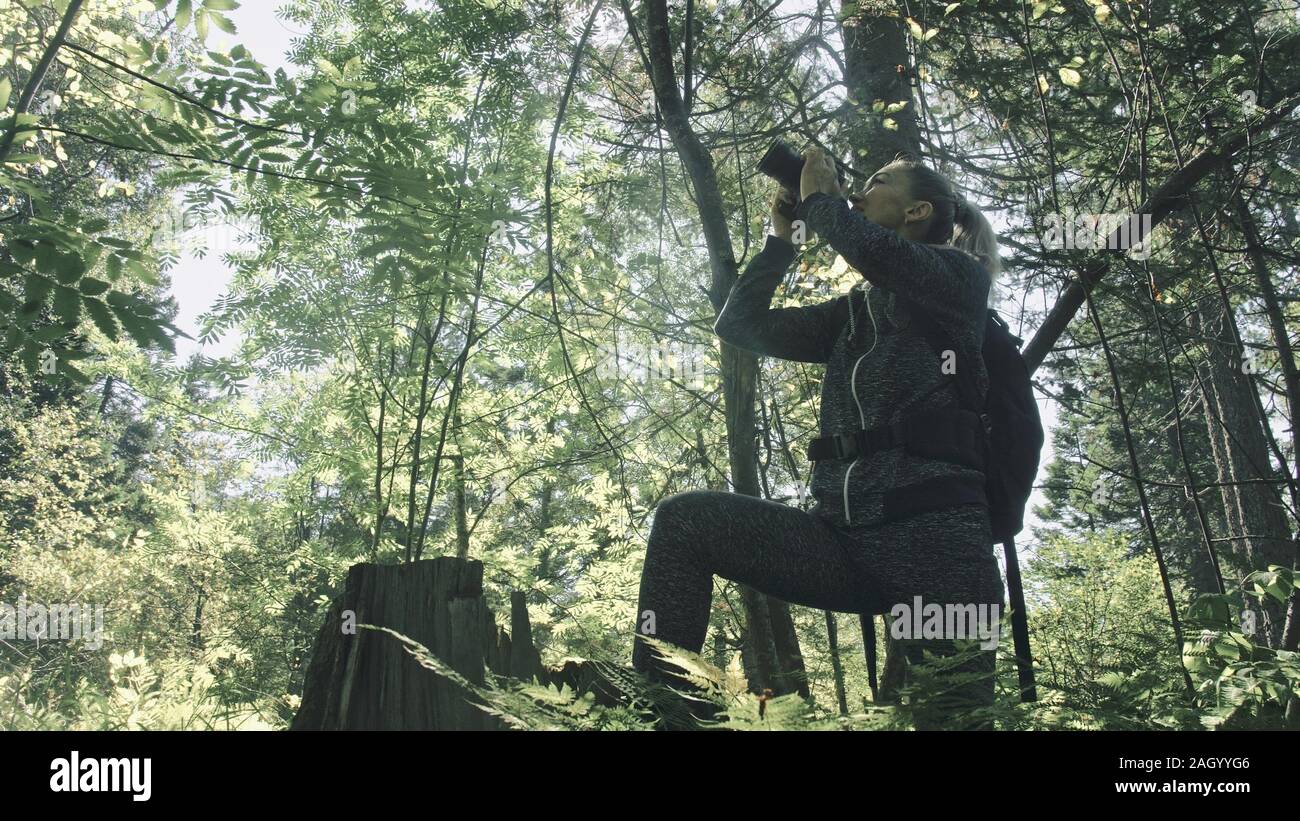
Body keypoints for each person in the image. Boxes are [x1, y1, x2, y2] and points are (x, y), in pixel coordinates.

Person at [631, 147, 1006, 730]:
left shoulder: (957, 280)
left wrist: (822, 199)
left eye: (878, 180)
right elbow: (741, 326)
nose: (861, 190)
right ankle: (665, 717)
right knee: (685, 522)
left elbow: (876, 254)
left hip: (937, 542)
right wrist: (782, 238)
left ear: (917, 212)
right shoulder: (852, 315)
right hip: (843, 541)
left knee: (954, 718)